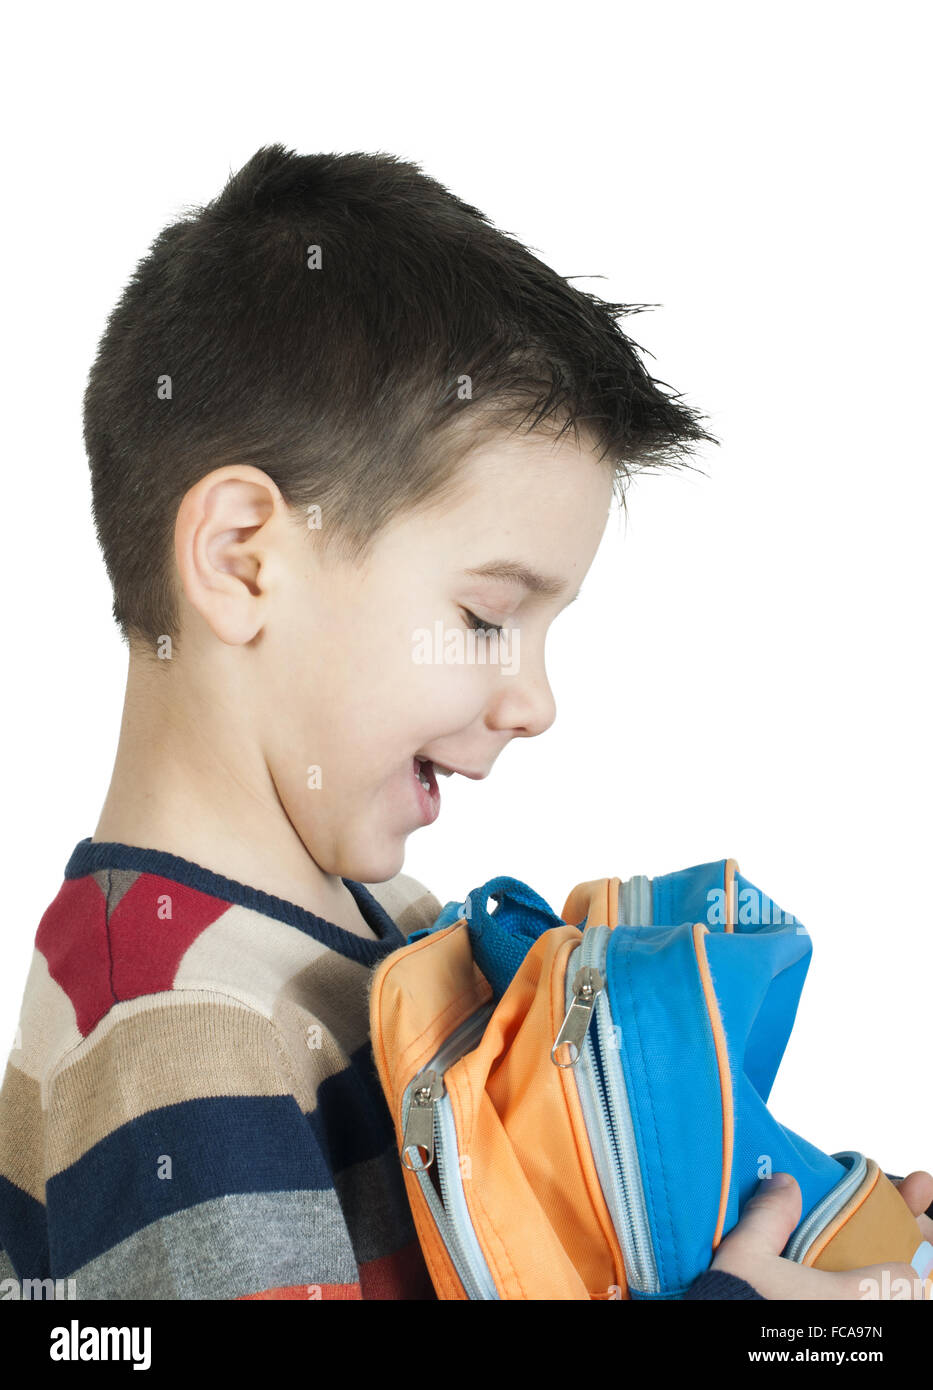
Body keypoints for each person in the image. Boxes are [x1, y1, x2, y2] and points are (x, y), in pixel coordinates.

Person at [1, 146, 929, 1300]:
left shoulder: (382, 923)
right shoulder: (169, 1030)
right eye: (488, 615)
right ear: (244, 561)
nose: (534, 701)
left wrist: (818, 1245)